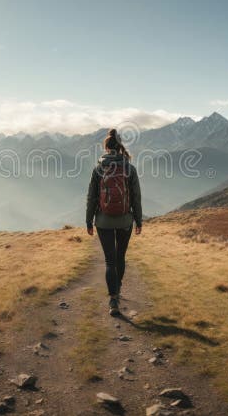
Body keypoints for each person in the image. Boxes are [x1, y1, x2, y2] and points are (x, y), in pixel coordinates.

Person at [85, 128, 143, 316]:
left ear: (106, 148)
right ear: (120, 147)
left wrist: (88, 221)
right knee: (120, 258)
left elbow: (92, 197)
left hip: (103, 222)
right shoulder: (129, 168)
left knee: (110, 261)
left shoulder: (99, 168)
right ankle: (118, 289)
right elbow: (136, 197)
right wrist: (139, 221)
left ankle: (113, 300)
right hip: (125, 220)